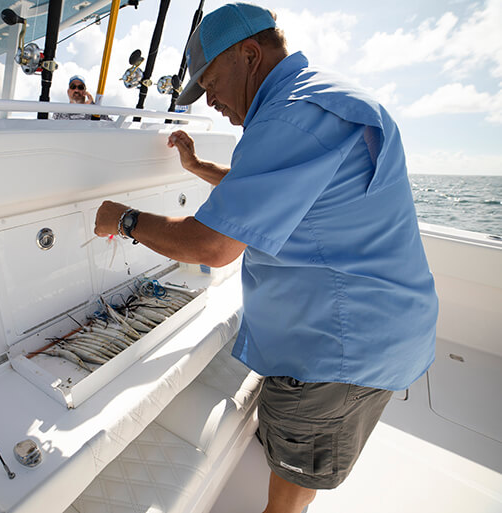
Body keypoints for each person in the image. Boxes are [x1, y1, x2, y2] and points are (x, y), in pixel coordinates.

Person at [94, 3, 438, 513]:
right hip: (373, 333)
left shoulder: (291, 116)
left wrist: (123, 218)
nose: (211, 101)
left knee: (288, 498)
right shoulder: (316, 97)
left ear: (250, 55)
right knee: (294, 462)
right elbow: (272, 188)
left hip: (337, 357)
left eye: (210, 83)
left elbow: (213, 246)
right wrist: (197, 166)